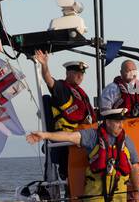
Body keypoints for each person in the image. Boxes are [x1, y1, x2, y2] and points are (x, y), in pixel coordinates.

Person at [33, 51, 94, 180]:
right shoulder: (62, 89)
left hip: (84, 136)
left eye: (82, 74)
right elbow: (48, 80)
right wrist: (44, 64)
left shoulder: (80, 93)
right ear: (67, 73)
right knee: (72, 175)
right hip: (67, 139)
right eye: (76, 73)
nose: (80, 76)